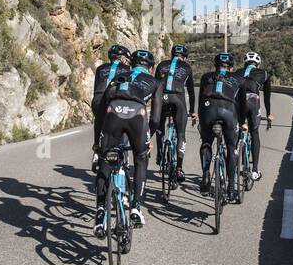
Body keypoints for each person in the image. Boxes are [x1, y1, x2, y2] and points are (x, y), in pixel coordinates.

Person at [96, 48, 158, 232]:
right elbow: (154, 119)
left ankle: (100, 214)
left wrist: (97, 141)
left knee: (105, 162)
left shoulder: (119, 76)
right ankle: (136, 207)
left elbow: (100, 111)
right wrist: (148, 138)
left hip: (112, 114)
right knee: (141, 158)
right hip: (138, 117)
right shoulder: (154, 81)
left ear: (130, 65)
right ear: (151, 68)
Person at [197, 51, 245, 195]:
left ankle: (206, 175)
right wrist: (242, 123)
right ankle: (231, 187)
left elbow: (200, 102)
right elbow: (243, 105)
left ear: (215, 66)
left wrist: (201, 121)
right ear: (231, 67)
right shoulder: (239, 78)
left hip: (208, 110)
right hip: (228, 111)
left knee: (206, 142)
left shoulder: (206, 77)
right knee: (231, 147)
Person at [151, 43, 196, 181]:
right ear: (185, 57)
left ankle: (160, 154)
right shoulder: (187, 67)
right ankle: (179, 168)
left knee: (159, 126)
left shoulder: (161, 64)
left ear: (172, 55)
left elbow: (155, 86)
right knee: (181, 133)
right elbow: (191, 92)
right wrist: (192, 111)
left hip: (161, 98)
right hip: (178, 99)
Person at [91, 44, 130, 172]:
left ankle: (97, 150)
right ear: (123, 58)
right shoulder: (126, 68)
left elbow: (96, 88)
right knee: (124, 123)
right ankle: (124, 153)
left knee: (100, 121)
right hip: (115, 100)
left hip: (98, 100)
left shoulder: (100, 68)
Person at [237, 50, 273, 181]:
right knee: (254, 132)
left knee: (237, 130)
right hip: (253, 101)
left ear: (245, 63)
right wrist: (269, 114)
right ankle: (255, 170)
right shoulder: (264, 73)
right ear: (258, 64)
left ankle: (234, 162)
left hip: (238, 102)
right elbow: (267, 96)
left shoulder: (237, 72)